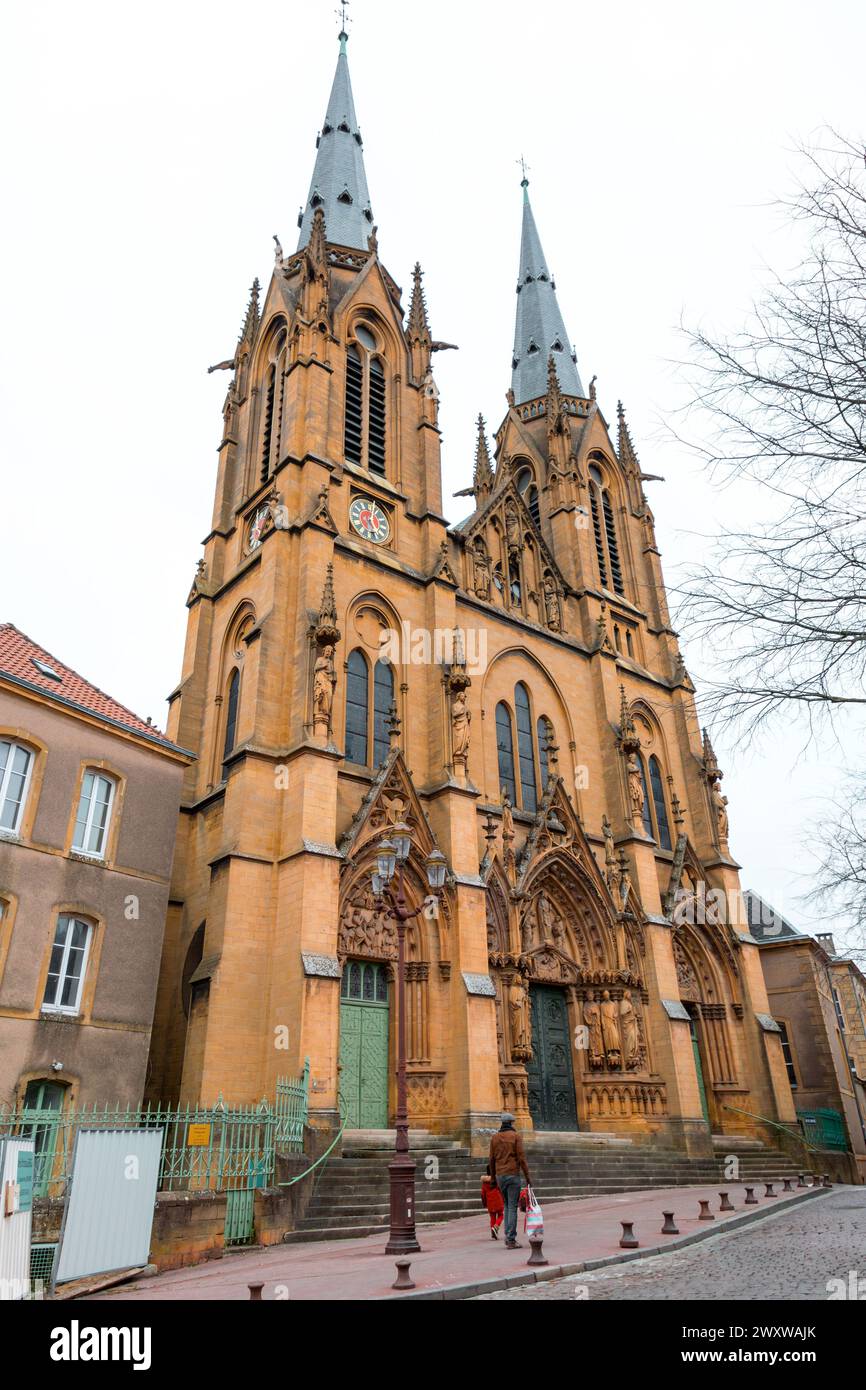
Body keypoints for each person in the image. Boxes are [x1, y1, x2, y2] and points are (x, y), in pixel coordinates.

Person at [488, 1111, 532, 1249]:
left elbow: (491, 1160)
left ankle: (508, 1236)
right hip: (512, 1174)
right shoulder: (515, 1136)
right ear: (512, 1123)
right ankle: (511, 1239)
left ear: (502, 1123)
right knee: (512, 1206)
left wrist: (493, 1178)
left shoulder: (494, 1138)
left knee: (507, 1205)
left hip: (500, 1176)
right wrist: (528, 1177)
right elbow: (522, 1158)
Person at [480, 1163, 504, 1239]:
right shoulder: (496, 1180)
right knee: (501, 1215)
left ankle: (493, 1232)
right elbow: (501, 1190)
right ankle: (496, 1227)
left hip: (489, 1202)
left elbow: (482, 1194)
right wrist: (504, 1199)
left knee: (492, 1217)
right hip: (498, 1200)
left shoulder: (484, 1183)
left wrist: (484, 1203)